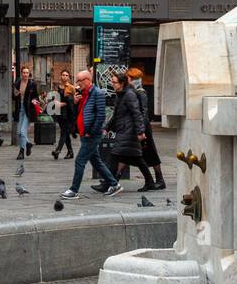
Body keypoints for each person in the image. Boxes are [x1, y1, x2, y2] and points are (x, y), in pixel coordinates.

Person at [60, 69, 119, 199]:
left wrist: (91, 132)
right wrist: (75, 102)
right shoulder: (83, 93)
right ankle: (114, 184)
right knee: (96, 162)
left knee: (80, 161)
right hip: (84, 133)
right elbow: (79, 113)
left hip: (91, 135)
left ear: (87, 80)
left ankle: (73, 190)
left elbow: (100, 116)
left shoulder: (97, 93)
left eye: (79, 81)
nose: (77, 84)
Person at [101, 70, 158, 190]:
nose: (112, 84)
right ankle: (150, 182)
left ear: (122, 83)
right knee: (137, 159)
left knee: (114, 156)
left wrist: (140, 131)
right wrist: (107, 128)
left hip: (129, 131)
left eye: (114, 82)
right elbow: (116, 115)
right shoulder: (121, 94)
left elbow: (138, 114)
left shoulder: (130, 94)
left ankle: (109, 183)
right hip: (125, 130)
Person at [129, 66, 165, 190]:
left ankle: (159, 180)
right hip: (141, 127)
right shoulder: (135, 92)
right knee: (146, 154)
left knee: (151, 153)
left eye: (130, 78)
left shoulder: (141, 93)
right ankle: (155, 180)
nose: (128, 81)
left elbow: (144, 112)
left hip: (144, 129)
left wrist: (142, 129)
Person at [13, 65, 39, 160]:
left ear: (29, 74)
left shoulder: (32, 84)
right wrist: (15, 94)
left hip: (28, 110)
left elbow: (36, 96)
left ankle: (21, 152)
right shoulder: (18, 83)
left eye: (27, 73)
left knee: (23, 132)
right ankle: (28, 143)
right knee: (19, 133)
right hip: (20, 109)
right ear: (21, 73)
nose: (25, 74)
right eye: (24, 72)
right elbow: (14, 96)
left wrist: (34, 100)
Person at [51, 69, 76, 160]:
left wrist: (62, 104)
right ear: (60, 76)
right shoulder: (57, 87)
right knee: (65, 133)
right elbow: (53, 98)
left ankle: (58, 150)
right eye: (63, 75)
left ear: (69, 77)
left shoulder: (71, 88)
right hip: (60, 113)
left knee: (63, 133)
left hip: (68, 114)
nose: (64, 76)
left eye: (66, 75)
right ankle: (70, 152)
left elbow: (73, 102)